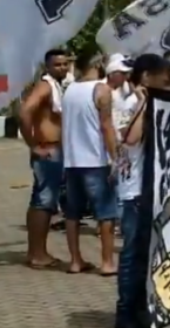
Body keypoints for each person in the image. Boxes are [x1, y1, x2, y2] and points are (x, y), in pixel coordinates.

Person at [116, 54, 170, 328]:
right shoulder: (132, 104)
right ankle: (126, 314)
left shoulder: (146, 104)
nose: (167, 84)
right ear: (147, 77)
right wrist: (143, 103)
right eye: (163, 78)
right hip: (133, 193)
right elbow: (131, 138)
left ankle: (140, 310)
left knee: (143, 257)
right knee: (132, 257)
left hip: (146, 192)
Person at [61, 53, 120, 275]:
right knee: (106, 213)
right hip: (95, 159)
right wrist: (115, 157)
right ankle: (107, 262)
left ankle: (75, 260)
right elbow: (106, 126)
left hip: (72, 159)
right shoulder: (101, 90)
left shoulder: (70, 90)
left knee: (73, 213)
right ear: (97, 65)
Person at [19, 48, 71, 270]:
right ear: (47, 67)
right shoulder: (45, 85)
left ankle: (37, 251)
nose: (62, 68)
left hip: (55, 150)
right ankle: (37, 254)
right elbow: (24, 111)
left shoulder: (57, 86)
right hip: (48, 150)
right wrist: (32, 144)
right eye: (57, 64)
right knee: (44, 202)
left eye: (64, 64)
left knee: (43, 201)